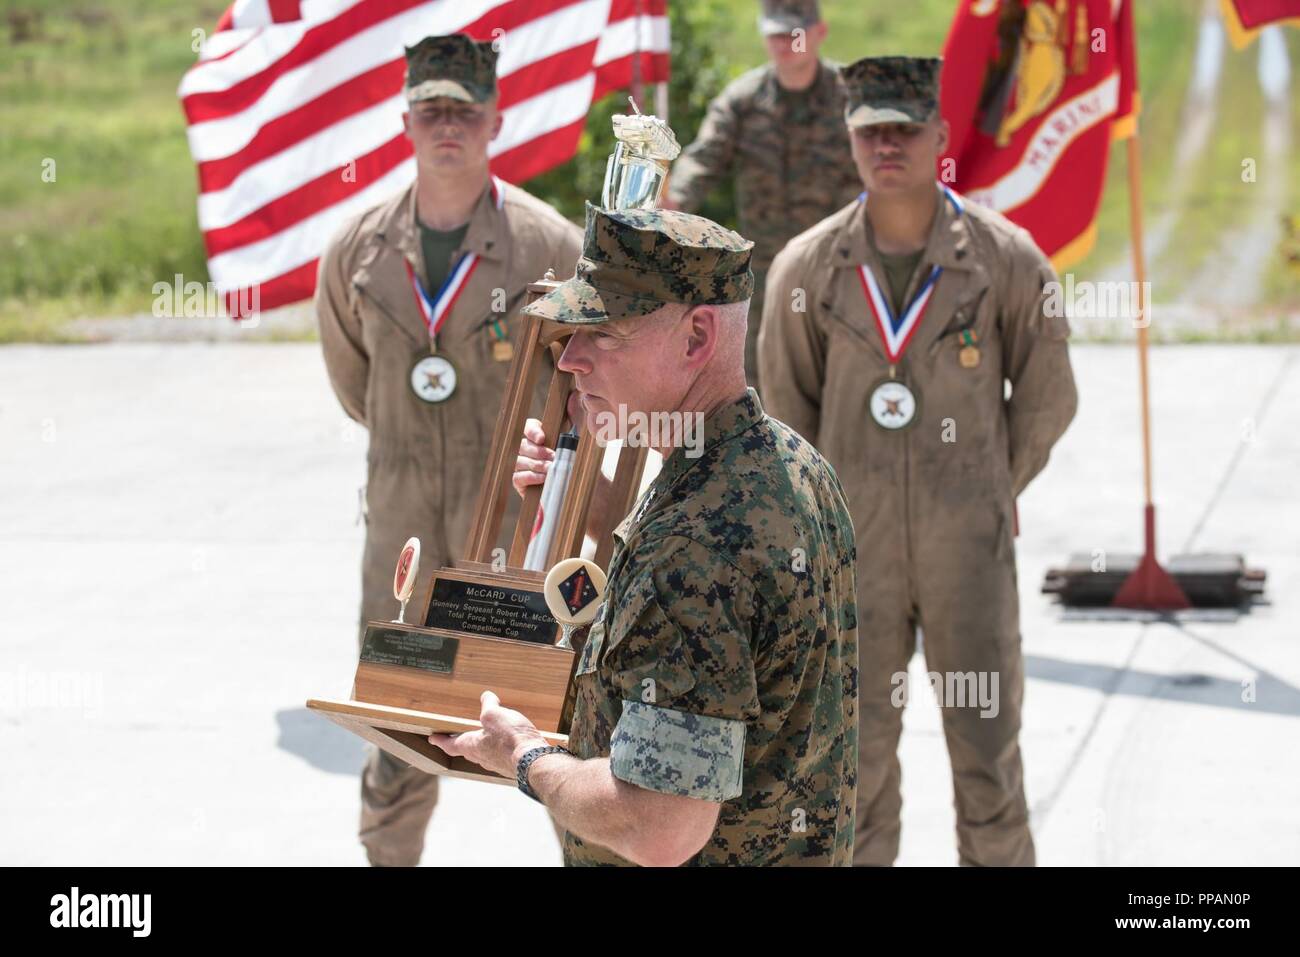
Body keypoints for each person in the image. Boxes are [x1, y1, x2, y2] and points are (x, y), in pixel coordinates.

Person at [431, 204, 859, 866]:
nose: (570, 358)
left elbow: (658, 824)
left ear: (694, 339)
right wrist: (587, 503)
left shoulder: (693, 543)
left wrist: (525, 755)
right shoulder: (789, 465)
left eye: (605, 332)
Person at [759, 55, 1078, 866]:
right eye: (871, 131)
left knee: (988, 762)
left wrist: (994, 489)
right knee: (847, 771)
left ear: (940, 136)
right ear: (851, 139)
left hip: (966, 550)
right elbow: (784, 412)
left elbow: (1048, 396)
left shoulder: (1004, 259)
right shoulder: (808, 269)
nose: (887, 145)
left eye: (905, 130)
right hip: (850, 559)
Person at [314, 33, 582, 867]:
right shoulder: (356, 251)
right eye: (431, 110)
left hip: (515, 538)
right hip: (403, 537)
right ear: (405, 120)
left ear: (495, 118)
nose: (448, 128)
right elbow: (358, 388)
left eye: (464, 112)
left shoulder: (549, 247)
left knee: (550, 733)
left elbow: (587, 383)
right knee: (398, 725)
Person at [663, 0, 860, 388]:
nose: (785, 44)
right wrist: (673, 203)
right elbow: (704, 160)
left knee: (840, 379)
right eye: (775, 35)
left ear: (819, 33)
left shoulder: (851, 99)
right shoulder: (744, 100)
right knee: (757, 381)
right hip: (765, 274)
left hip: (839, 269)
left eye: (794, 35)